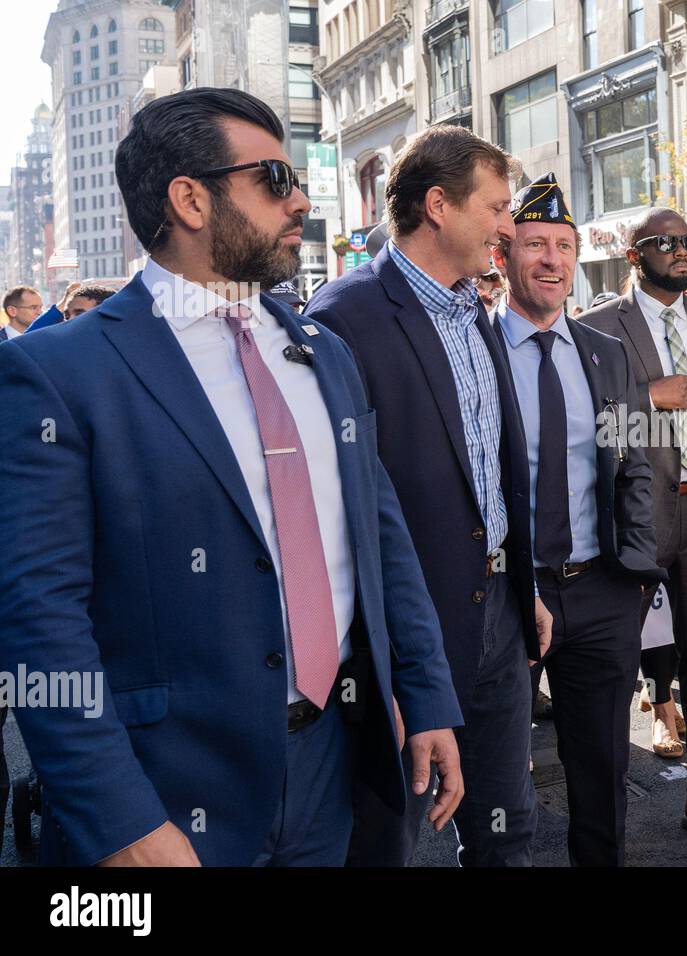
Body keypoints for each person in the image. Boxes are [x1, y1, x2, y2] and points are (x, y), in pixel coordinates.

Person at [0, 87, 464, 866]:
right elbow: (39, 623)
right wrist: (120, 821)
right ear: (190, 199)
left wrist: (426, 698)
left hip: (333, 768)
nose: (303, 200)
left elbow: (381, 541)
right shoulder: (56, 376)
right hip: (165, 795)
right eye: (276, 180)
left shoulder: (324, 353)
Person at [305, 124, 549, 867]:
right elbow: (339, 507)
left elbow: (489, 469)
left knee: (509, 833)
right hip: (405, 646)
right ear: (438, 205)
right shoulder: (342, 318)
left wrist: (521, 581)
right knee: (389, 842)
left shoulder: (474, 306)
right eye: (499, 208)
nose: (510, 227)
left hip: (501, 625)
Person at [490, 173, 665, 864]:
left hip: (600, 590)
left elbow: (635, 469)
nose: (553, 260)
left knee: (602, 775)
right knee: (500, 780)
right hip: (506, 594)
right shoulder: (475, 351)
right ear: (503, 255)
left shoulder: (608, 357)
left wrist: (636, 579)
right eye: (535, 243)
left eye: (563, 245)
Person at [582, 208, 687, 839]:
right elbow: (592, 430)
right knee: (612, 664)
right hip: (635, 517)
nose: (681, 252)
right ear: (634, 255)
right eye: (665, 243)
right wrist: (648, 398)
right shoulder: (596, 328)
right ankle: (604, 817)